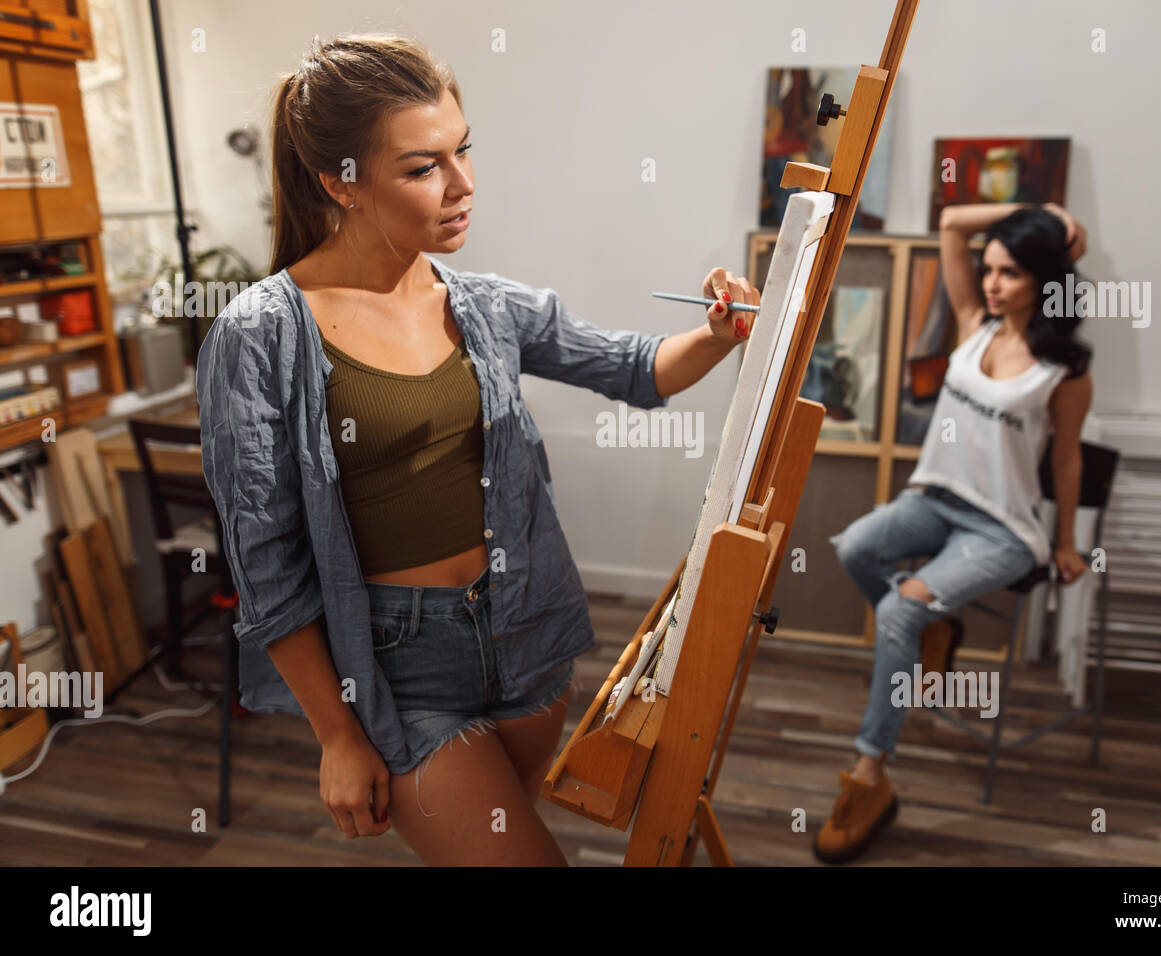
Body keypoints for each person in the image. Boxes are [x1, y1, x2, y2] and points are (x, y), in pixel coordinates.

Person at [195, 33, 760, 866]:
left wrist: (719, 333)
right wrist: (338, 736)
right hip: (396, 667)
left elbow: (639, 370)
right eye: (423, 167)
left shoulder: (484, 305)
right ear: (338, 184)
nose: (463, 185)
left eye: (464, 151)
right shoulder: (260, 334)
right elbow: (266, 567)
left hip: (525, 632)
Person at [814, 201, 1093, 864]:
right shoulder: (973, 324)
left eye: (1012, 273)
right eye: (990, 269)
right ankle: (933, 628)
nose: (992, 283)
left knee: (895, 608)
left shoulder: (1063, 370)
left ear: (1045, 281)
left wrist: (1064, 543)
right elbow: (952, 222)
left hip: (1001, 529)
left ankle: (868, 778)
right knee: (854, 546)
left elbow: (1067, 458)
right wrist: (1035, 211)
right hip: (936, 498)